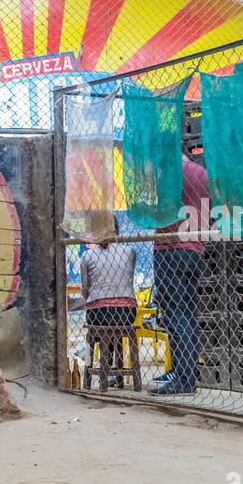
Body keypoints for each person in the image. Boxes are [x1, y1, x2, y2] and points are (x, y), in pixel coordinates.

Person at [150, 157, 208, 395]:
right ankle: (185, 372)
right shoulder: (203, 173)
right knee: (188, 315)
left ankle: (183, 378)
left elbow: (155, 209)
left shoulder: (168, 171)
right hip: (195, 249)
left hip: (170, 247)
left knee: (175, 315)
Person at [79, 210, 138, 386]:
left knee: (96, 327)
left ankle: (89, 362)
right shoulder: (129, 251)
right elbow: (128, 279)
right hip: (126, 312)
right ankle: (112, 370)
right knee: (113, 328)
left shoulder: (87, 256)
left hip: (99, 313)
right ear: (116, 229)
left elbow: (85, 290)